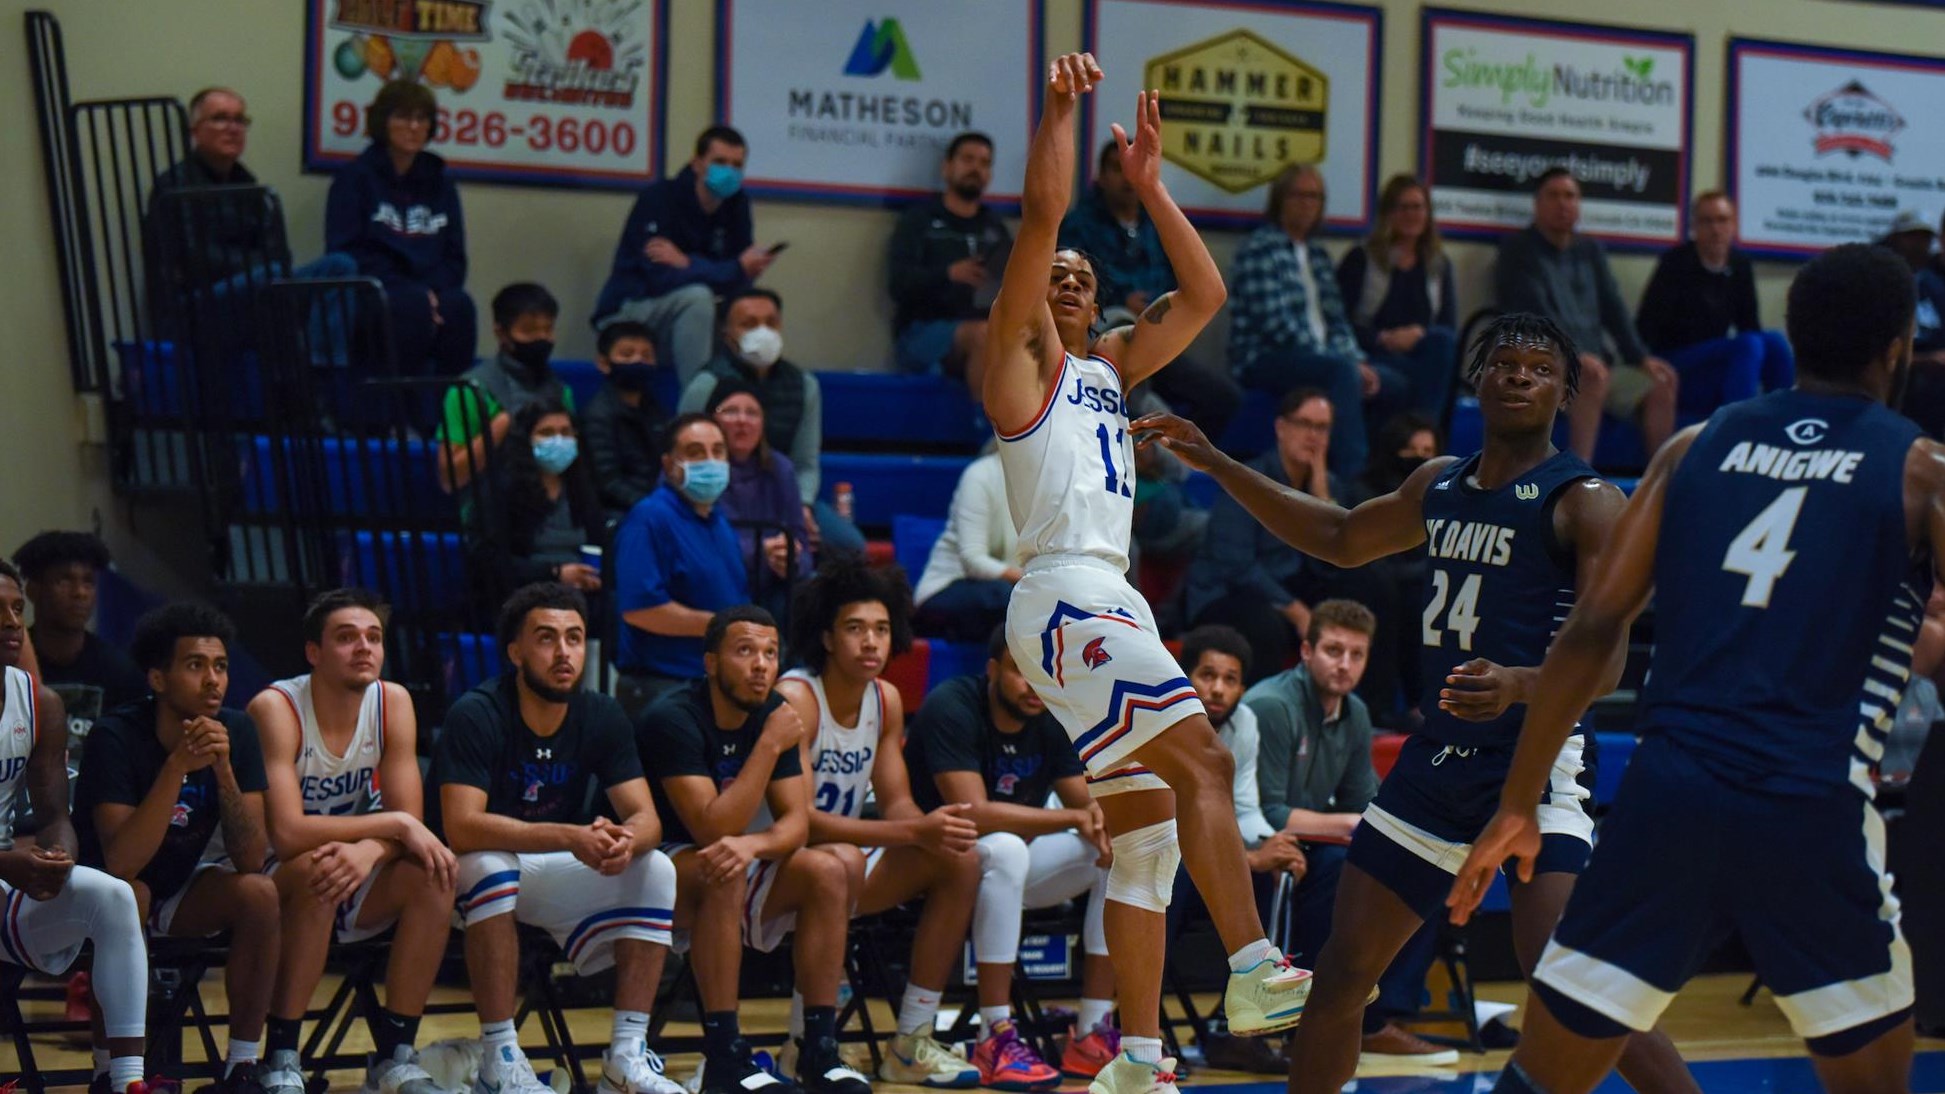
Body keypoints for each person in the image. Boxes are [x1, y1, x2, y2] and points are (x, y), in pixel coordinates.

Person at [1132, 312, 1698, 1094]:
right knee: (1338, 977)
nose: (1520, 375)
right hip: (1437, 764)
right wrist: (1220, 464)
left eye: (1540, 367)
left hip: (1537, 761)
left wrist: (1520, 683)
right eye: (1504, 362)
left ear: (1565, 391)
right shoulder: (1438, 484)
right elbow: (1335, 535)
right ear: (1478, 380)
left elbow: (1602, 666)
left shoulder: (1587, 502)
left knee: (1572, 982)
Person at [1450, 244, 1933, 1092]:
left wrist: (1520, 801)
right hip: (1809, 803)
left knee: (1542, 1079)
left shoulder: (1691, 447)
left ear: (1790, 333)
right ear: (1895, 347)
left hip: (1668, 799)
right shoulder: (1920, 470)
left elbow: (1593, 627)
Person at [981, 56, 1312, 1094]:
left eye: (1088, 275)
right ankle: (1253, 966)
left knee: (1148, 842)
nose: (1071, 279)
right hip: (1063, 593)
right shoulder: (1018, 370)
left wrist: (1157, 186)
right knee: (1206, 766)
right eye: (1058, 275)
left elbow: (1204, 291)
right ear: (1038, 298)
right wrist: (1060, 112)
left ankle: (1135, 1057)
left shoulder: (1108, 374)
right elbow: (1039, 220)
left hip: (1105, 596)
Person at [434, 582, 681, 1094]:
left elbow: (647, 818)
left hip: (547, 865)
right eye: (546, 638)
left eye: (574, 637)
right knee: (490, 865)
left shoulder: (602, 714)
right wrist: (568, 836)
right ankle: (499, 1058)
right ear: (515, 651)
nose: (564, 651)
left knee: (657, 866)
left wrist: (624, 841)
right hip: (463, 880)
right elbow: (461, 826)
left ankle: (626, 1058)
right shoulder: (477, 712)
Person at [775, 558, 983, 1088]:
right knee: (835, 864)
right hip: (774, 867)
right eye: (855, 628)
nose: (871, 642)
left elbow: (897, 804)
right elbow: (801, 825)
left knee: (961, 858)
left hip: (838, 865)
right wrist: (914, 831)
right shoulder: (798, 697)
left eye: (882, 630)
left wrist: (933, 826)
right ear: (825, 637)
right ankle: (803, 1045)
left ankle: (910, 1040)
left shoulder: (885, 700)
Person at [641, 606, 863, 1094]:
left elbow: (796, 824)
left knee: (827, 870)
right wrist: (766, 747)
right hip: (649, 865)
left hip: (726, 855)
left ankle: (817, 1048)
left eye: (769, 653)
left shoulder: (771, 717)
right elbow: (709, 826)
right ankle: (725, 1053)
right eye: (745, 652)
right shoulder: (673, 718)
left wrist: (754, 843)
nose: (761, 664)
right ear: (711, 663)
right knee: (724, 866)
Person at [246, 589, 458, 1094]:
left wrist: (372, 846)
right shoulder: (275, 708)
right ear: (313, 653)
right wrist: (391, 829)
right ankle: (281, 1056)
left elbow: (408, 820)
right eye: (346, 638)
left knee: (435, 875)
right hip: (265, 873)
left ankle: (395, 1056)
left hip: (352, 864)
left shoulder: (393, 701)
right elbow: (288, 833)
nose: (364, 647)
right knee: (324, 868)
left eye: (374, 637)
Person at [75, 603, 280, 1093]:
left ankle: (243, 1067)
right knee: (132, 894)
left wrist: (224, 769)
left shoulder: (237, 730)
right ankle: (112, 1072)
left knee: (260, 893)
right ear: (158, 678)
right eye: (195, 666)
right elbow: (121, 862)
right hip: (99, 893)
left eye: (221, 666)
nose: (213, 680)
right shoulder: (115, 737)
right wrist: (177, 767)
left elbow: (253, 857)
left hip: (181, 885)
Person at [902, 627, 1115, 1089]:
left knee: (1113, 852)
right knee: (1007, 847)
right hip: (933, 862)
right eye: (1020, 672)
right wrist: (1074, 818)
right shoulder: (953, 706)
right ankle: (994, 1033)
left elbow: (1084, 804)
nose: (1032, 686)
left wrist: (1100, 814)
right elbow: (973, 814)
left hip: (1007, 867)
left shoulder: (1050, 717)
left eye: (1042, 676)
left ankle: (1093, 1031)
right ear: (993, 670)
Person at [1243, 600, 1453, 1067]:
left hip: (1314, 843)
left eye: (1356, 654)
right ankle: (1322, 1012)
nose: (1344, 664)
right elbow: (1268, 811)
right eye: (1334, 650)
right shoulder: (1272, 706)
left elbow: (1366, 798)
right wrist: (1354, 825)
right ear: (1305, 652)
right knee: (1340, 872)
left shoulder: (1355, 712)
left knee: (1417, 866)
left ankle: (1375, 1015)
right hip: (1256, 845)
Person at [0, 560, 163, 1094]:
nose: (11, 623)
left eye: (16, 609)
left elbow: (53, 815)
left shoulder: (38, 702)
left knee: (114, 896)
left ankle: (124, 1081)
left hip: (6, 876)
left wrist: (57, 858)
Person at [1183, 389, 1404, 720]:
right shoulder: (1248, 478)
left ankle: (1377, 715)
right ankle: (1264, 720)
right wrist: (1296, 611)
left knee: (1374, 585)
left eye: (1323, 428)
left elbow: (1335, 563)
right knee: (1265, 624)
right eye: (1305, 424)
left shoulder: (1329, 484)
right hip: (1228, 593)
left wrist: (1323, 497)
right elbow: (1236, 565)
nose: (1313, 436)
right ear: (1281, 428)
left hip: (1289, 587)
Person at [1165, 626, 1304, 1076]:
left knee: (1278, 872)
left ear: (1243, 687)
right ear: (1185, 675)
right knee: (1172, 872)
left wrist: (1270, 844)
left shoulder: (1245, 724)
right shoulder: (1162, 715)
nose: (1218, 688)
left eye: (1230, 679)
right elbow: (1162, 818)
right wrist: (1249, 858)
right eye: (1207, 675)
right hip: (1153, 846)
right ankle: (1142, 1025)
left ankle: (1244, 1027)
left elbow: (1243, 806)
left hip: (1199, 850)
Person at [1228, 164, 1408, 477]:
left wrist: (1356, 360)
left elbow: (1337, 322)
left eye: (1315, 196)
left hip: (1325, 358)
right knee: (1340, 373)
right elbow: (1276, 325)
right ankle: (1352, 481)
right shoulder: (1260, 248)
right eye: (1299, 195)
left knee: (1394, 383)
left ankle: (1388, 477)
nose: (1307, 203)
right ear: (1280, 199)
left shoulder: (1318, 255)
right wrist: (1344, 363)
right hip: (1267, 358)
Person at [1058, 140, 1242, 440]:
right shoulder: (1080, 224)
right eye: (1117, 169)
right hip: (1103, 337)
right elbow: (1064, 291)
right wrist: (1120, 300)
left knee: (1224, 397)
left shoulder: (1157, 224)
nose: (1126, 179)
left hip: (1155, 335)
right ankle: (1135, 444)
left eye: (1131, 170)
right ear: (1101, 177)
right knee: (1118, 328)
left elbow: (1193, 289)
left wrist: (1152, 187)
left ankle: (1166, 459)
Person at [1496, 167, 1677, 463]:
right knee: (1588, 377)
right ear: (1537, 204)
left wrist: (1640, 358)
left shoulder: (1590, 250)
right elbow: (1534, 315)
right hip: (1543, 365)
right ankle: (1578, 481)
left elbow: (1614, 309)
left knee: (1662, 382)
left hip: (1597, 365)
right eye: (1553, 196)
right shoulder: (1519, 250)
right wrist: (1573, 354)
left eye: (1570, 196)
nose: (1562, 203)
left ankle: (1658, 485)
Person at [679, 289, 864, 555]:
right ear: (726, 333)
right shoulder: (705, 384)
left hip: (782, 490)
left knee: (850, 546)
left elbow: (806, 463)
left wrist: (802, 506)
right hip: (722, 492)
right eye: (749, 324)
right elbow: (682, 448)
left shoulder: (804, 385)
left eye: (770, 322)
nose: (762, 331)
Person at [594, 126, 772, 383]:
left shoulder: (737, 204)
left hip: (687, 323)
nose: (729, 171)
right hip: (630, 310)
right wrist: (727, 269)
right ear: (697, 164)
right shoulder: (659, 199)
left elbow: (740, 279)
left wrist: (688, 264)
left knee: (749, 309)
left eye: (737, 165)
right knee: (698, 298)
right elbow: (659, 277)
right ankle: (697, 406)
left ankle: (745, 398)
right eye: (720, 162)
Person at [324, 79, 475, 377]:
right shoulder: (354, 179)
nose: (414, 126)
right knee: (409, 308)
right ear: (383, 121)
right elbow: (346, 252)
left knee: (459, 306)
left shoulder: (442, 182)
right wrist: (415, 292)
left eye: (422, 118)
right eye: (403, 117)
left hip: (432, 290)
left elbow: (455, 257)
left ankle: (450, 413)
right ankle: (399, 416)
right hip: (378, 291)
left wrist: (432, 291)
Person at [149, 87, 355, 288]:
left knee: (340, 265)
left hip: (257, 283)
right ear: (195, 131)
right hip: (202, 298)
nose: (233, 128)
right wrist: (260, 266)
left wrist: (265, 268)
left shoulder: (249, 184)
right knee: (272, 275)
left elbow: (279, 251)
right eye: (220, 118)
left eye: (239, 120)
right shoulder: (175, 184)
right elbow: (192, 258)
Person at [613, 414, 746, 714]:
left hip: (713, 680)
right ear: (669, 465)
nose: (710, 461)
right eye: (696, 452)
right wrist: (721, 628)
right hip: (662, 686)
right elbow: (640, 610)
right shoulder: (648, 518)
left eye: (718, 451)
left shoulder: (718, 520)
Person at [1635, 191, 1793, 417]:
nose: (1716, 229)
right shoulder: (1675, 263)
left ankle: (1784, 419)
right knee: (1748, 344)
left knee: (1774, 341)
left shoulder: (1740, 264)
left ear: (1733, 226)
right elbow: (1645, 326)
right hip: (1677, 357)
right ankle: (1735, 427)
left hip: (1717, 351)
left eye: (1722, 220)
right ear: (1694, 227)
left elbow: (1750, 324)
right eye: (1707, 221)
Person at [889, 132, 1012, 389]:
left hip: (984, 324)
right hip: (921, 331)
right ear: (947, 167)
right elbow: (897, 284)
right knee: (983, 335)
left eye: (984, 163)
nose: (975, 168)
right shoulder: (919, 220)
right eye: (968, 159)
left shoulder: (995, 227)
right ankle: (986, 428)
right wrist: (948, 275)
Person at [1334, 175, 1460, 420]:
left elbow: (1448, 326)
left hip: (1422, 355)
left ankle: (1422, 433)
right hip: (1374, 353)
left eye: (1418, 207)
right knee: (1417, 380)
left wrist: (1418, 335)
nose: (1411, 214)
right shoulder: (1361, 257)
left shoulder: (1438, 264)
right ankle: (1423, 436)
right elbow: (1340, 321)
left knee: (1442, 342)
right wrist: (1384, 338)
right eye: (1403, 207)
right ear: (1388, 213)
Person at [12, 530, 146, 747]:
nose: (80, 592)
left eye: (88, 582)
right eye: (64, 580)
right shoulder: (11, 663)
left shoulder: (121, 672)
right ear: (33, 590)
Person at [438, 282, 576, 492]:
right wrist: (500, 427)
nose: (541, 338)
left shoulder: (560, 391)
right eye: (529, 330)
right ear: (501, 332)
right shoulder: (469, 390)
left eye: (548, 329)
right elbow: (451, 479)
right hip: (490, 513)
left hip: (554, 511)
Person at [471, 399, 607, 600]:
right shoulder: (501, 489)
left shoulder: (581, 488)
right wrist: (555, 573)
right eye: (547, 433)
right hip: (522, 598)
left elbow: (597, 543)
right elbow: (488, 561)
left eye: (566, 432)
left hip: (579, 600)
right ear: (525, 440)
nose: (559, 440)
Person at [708, 380, 812, 620]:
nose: (742, 420)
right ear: (712, 420)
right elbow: (700, 547)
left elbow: (802, 545)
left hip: (771, 583)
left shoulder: (781, 469)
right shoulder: (700, 471)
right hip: (719, 581)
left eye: (752, 413)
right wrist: (759, 551)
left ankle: (794, 658)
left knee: (808, 589)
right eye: (731, 411)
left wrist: (790, 560)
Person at [912, 448, 1018, 642]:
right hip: (948, 587)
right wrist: (1028, 579)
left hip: (1008, 588)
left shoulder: (1050, 482)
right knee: (1010, 598)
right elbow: (972, 559)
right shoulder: (981, 475)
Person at [583, 320, 673, 520]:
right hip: (619, 513)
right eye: (627, 354)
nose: (638, 361)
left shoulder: (655, 408)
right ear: (604, 363)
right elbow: (608, 483)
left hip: (657, 504)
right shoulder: (597, 415)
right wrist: (653, 507)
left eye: (646, 356)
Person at [1880, 209, 1937, 275]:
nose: (1918, 242)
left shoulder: (1937, 272)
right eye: (1912, 235)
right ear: (1895, 237)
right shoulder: (1877, 268)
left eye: (1924, 236)